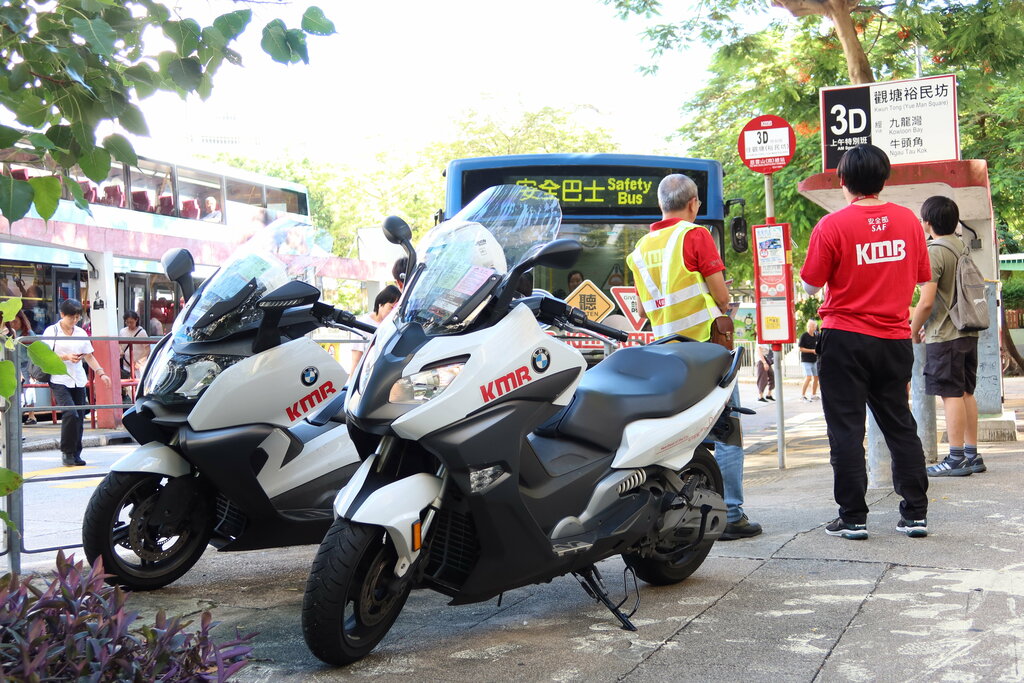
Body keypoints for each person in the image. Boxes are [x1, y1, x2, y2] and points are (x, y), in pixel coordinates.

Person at [800, 144, 931, 540]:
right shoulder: (909, 222)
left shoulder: (832, 226)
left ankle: (853, 517)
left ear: (842, 181)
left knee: (845, 429)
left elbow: (810, 282)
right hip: (894, 338)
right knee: (899, 424)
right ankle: (915, 514)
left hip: (844, 339)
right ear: (884, 179)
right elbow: (922, 276)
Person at [627, 173, 762, 540]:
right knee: (727, 432)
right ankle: (732, 514)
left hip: (666, 357)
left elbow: (644, 308)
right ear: (694, 204)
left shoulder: (639, 250)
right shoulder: (695, 234)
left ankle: (684, 515)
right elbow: (719, 295)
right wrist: (721, 300)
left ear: (660, 205)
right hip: (707, 353)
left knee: (683, 437)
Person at [910, 196, 985, 478]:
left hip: (945, 333)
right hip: (968, 330)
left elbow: (926, 301)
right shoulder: (960, 246)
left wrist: (913, 329)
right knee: (966, 391)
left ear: (927, 223)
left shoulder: (934, 252)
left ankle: (955, 459)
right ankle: (971, 454)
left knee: (950, 393)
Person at [43, 299, 112, 467]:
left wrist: (101, 373)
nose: (74, 321)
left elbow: (89, 355)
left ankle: (76, 453)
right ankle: (67, 452)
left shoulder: (81, 332)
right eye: (71, 317)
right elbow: (45, 356)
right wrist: (66, 357)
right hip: (59, 378)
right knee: (70, 413)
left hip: (78, 379)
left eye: (77, 317)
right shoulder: (51, 331)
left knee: (79, 417)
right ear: (62, 315)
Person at [349, 286, 401, 375]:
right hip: (367, 373)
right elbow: (356, 359)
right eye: (391, 308)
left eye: (396, 309)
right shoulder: (363, 323)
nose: (393, 312)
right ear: (380, 304)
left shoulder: (396, 324)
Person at [4, 310, 37, 424]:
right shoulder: (7, 332)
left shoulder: (28, 333)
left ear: (22, 321)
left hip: (26, 364)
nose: (13, 324)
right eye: (11, 322)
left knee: (29, 388)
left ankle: (31, 415)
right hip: (13, 364)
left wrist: (33, 369)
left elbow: (34, 350)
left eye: (15, 321)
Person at [118, 311, 149, 400]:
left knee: (139, 386)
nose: (129, 324)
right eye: (127, 322)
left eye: (131, 322)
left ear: (136, 320)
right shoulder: (122, 331)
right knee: (128, 387)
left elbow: (147, 349)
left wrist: (140, 362)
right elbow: (119, 344)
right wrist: (120, 350)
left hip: (138, 366)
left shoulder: (142, 332)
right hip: (126, 365)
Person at [798, 320, 820, 401]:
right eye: (813, 326)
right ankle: (802, 395)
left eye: (815, 326)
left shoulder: (816, 335)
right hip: (806, 360)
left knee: (816, 377)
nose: (815, 328)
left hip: (814, 360)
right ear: (809, 326)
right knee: (808, 377)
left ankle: (813, 395)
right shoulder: (804, 335)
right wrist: (812, 351)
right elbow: (801, 348)